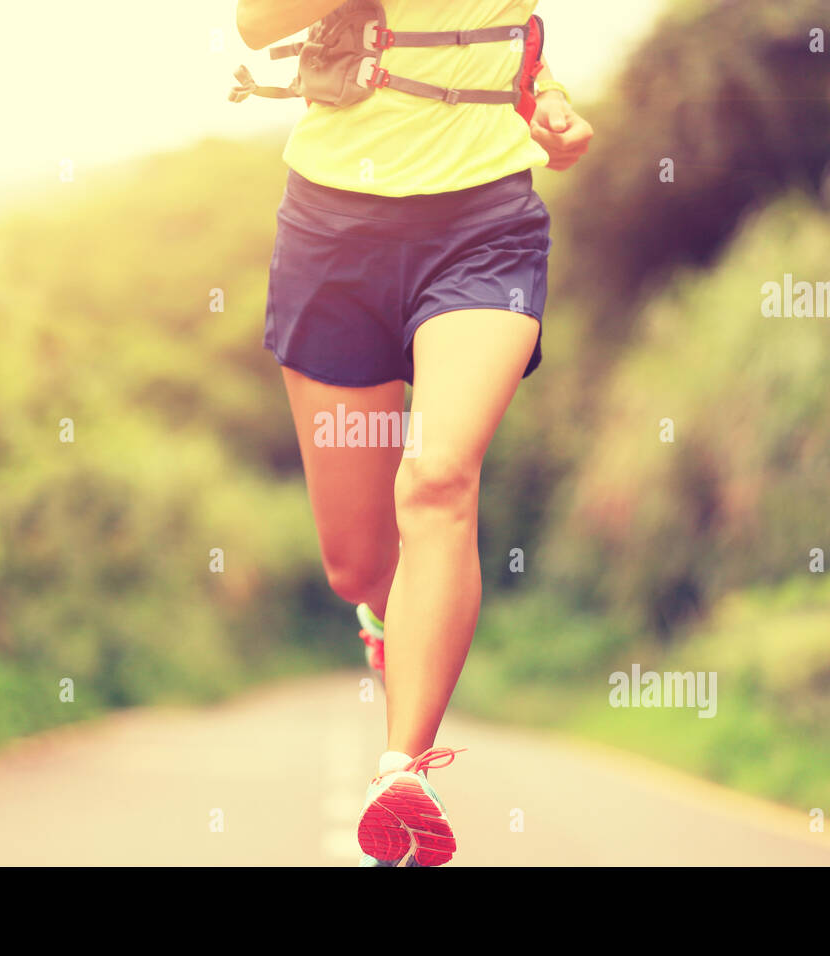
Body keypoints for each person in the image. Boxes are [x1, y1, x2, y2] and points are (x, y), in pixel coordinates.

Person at [236, 0, 592, 866]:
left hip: (484, 230)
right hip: (332, 232)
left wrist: (547, 94)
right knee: (357, 562)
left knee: (436, 478)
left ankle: (403, 773)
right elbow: (256, 23)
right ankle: (384, 616)